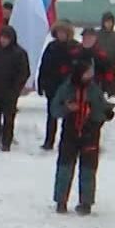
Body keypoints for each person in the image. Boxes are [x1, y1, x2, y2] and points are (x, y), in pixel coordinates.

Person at [49, 55, 114, 215]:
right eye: (87, 72)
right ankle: (61, 200)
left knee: (88, 169)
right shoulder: (66, 88)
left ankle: (86, 202)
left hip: (90, 132)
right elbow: (54, 110)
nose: (90, 75)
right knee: (65, 167)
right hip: (70, 131)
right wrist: (68, 108)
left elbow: (102, 109)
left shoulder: (94, 89)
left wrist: (104, 113)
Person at [0, 26, 32, 151]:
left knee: (8, 118)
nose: (4, 41)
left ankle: (6, 142)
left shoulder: (19, 53)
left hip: (10, 92)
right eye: (2, 37)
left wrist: (15, 88)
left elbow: (24, 72)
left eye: (7, 38)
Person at [36, 21, 82, 151]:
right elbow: (44, 66)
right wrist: (40, 83)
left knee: (69, 116)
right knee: (52, 115)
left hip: (68, 87)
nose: (61, 35)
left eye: (63, 32)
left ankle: (67, 142)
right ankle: (49, 141)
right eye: (59, 32)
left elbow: (79, 66)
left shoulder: (75, 47)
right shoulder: (51, 47)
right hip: (52, 87)